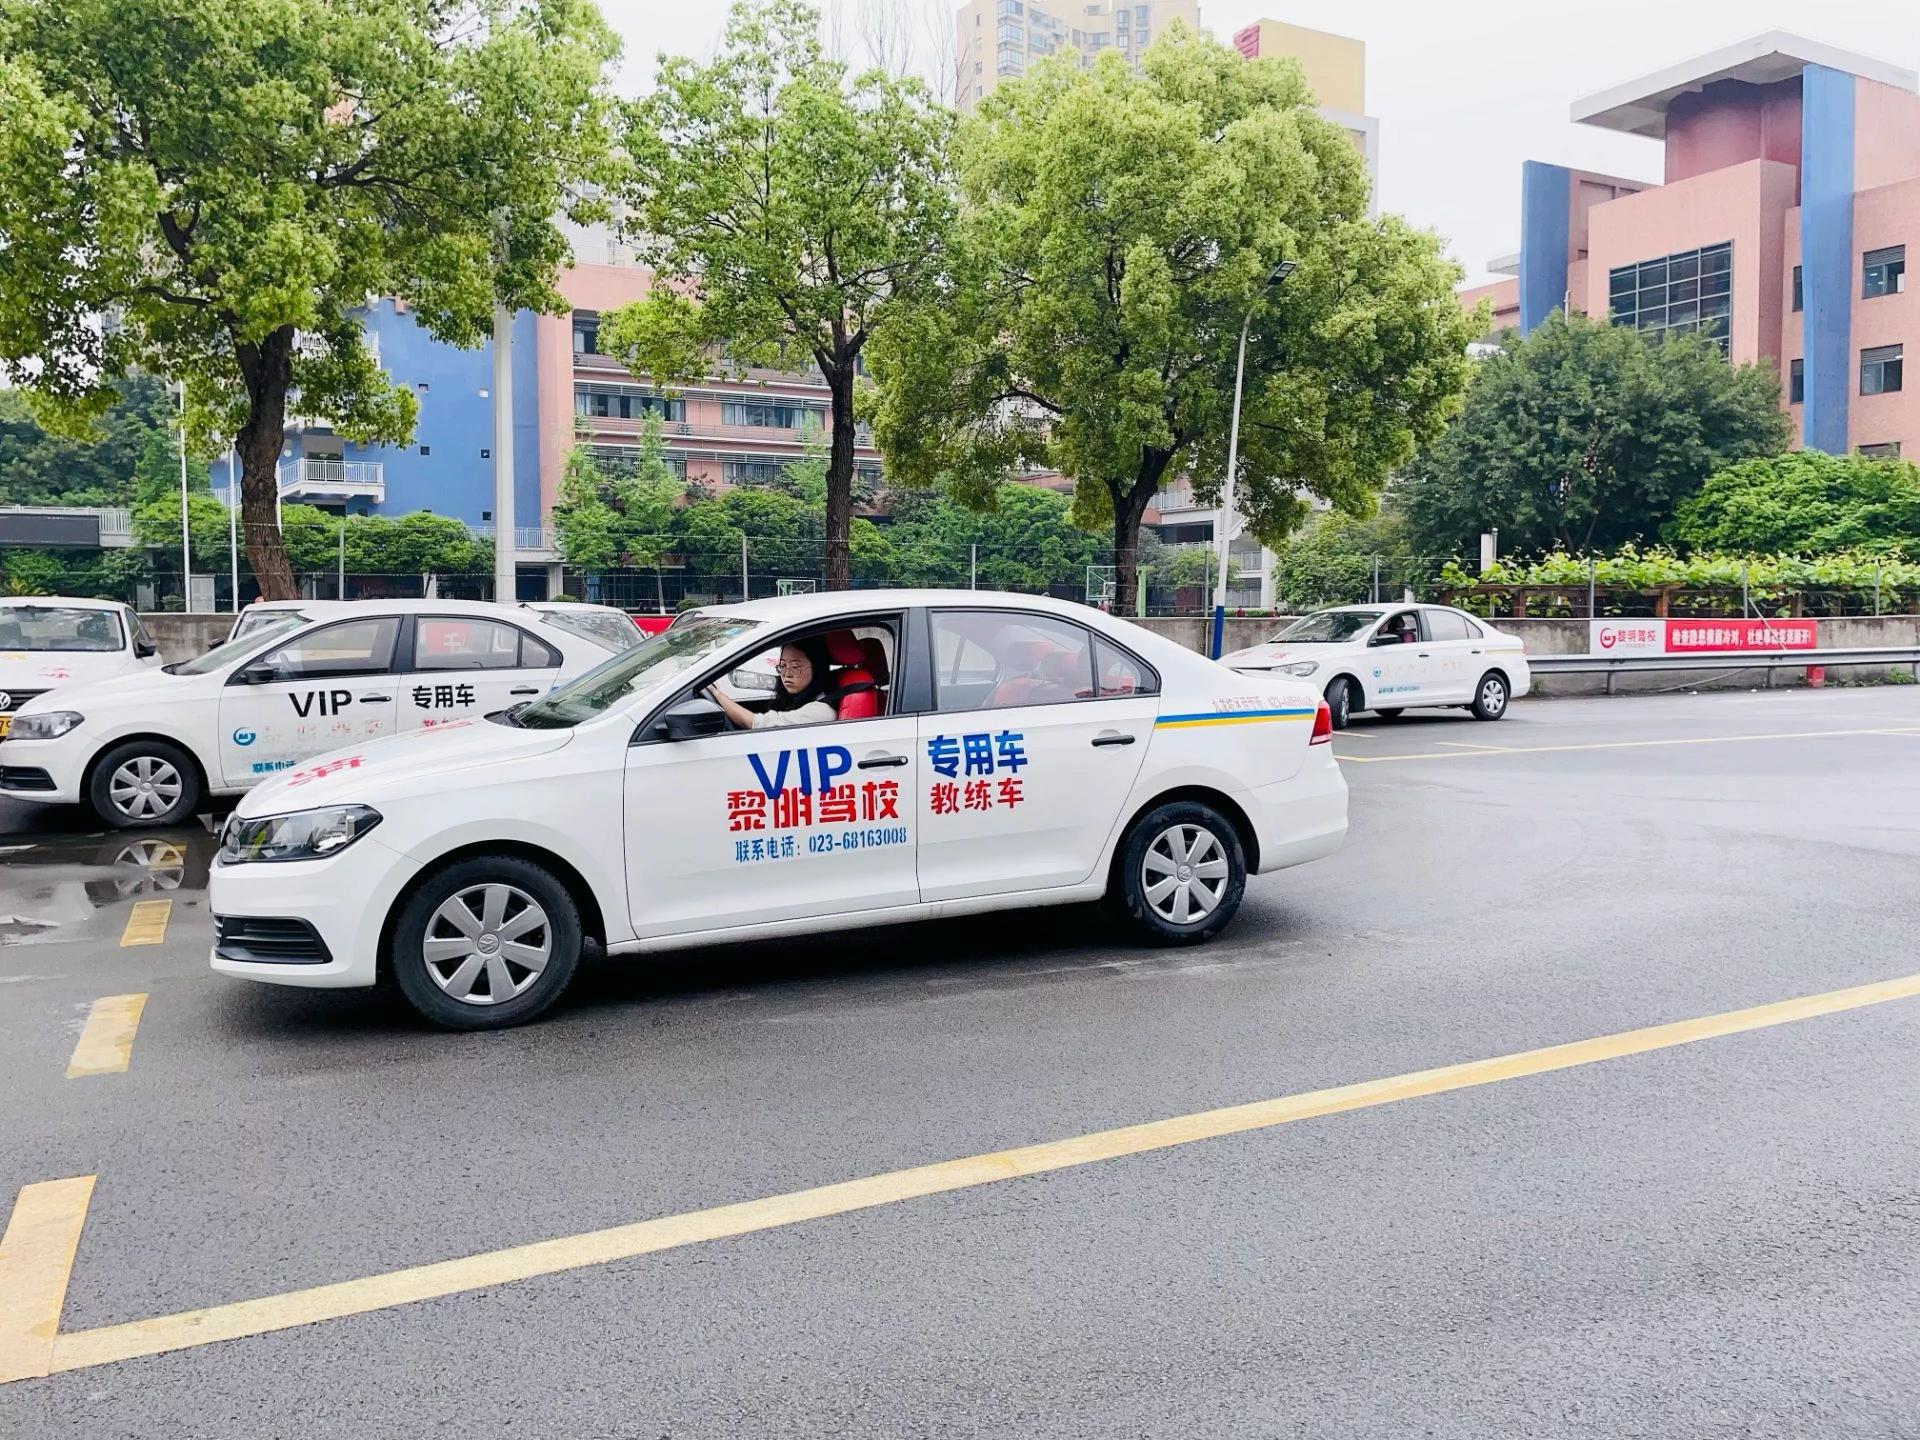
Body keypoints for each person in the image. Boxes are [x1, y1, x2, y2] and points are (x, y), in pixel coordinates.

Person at [706, 637, 837, 730]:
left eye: (795, 667)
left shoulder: (819, 711)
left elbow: (755, 724)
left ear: (816, 668)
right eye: (783, 666)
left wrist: (716, 694)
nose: (787, 673)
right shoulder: (796, 699)